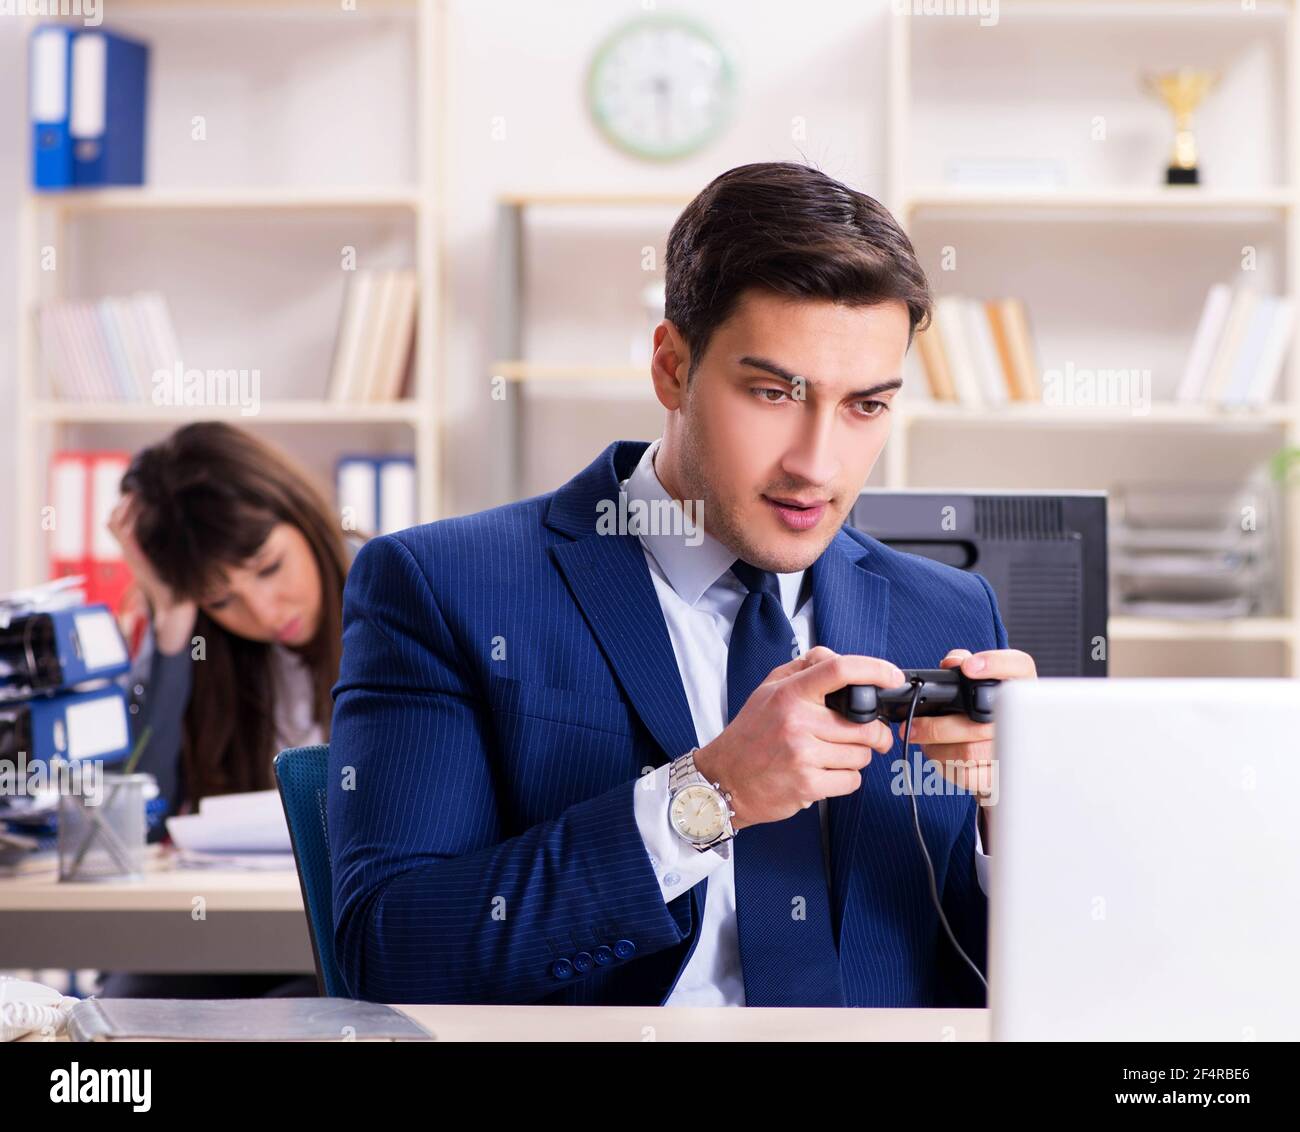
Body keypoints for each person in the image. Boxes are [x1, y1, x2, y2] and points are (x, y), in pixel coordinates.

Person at [328, 161, 1038, 1008]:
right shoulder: (445, 587)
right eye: (774, 393)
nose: (819, 464)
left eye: (866, 407)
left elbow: (1037, 977)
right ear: (671, 368)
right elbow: (392, 949)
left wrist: (1021, 816)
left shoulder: (949, 608)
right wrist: (709, 796)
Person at [97, 422, 354, 998]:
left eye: (269, 567)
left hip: (355, 939)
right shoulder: (203, 651)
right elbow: (132, 815)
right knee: (120, 1012)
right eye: (220, 598)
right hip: (235, 932)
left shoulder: (395, 593)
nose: (263, 610)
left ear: (301, 517)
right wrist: (170, 625)